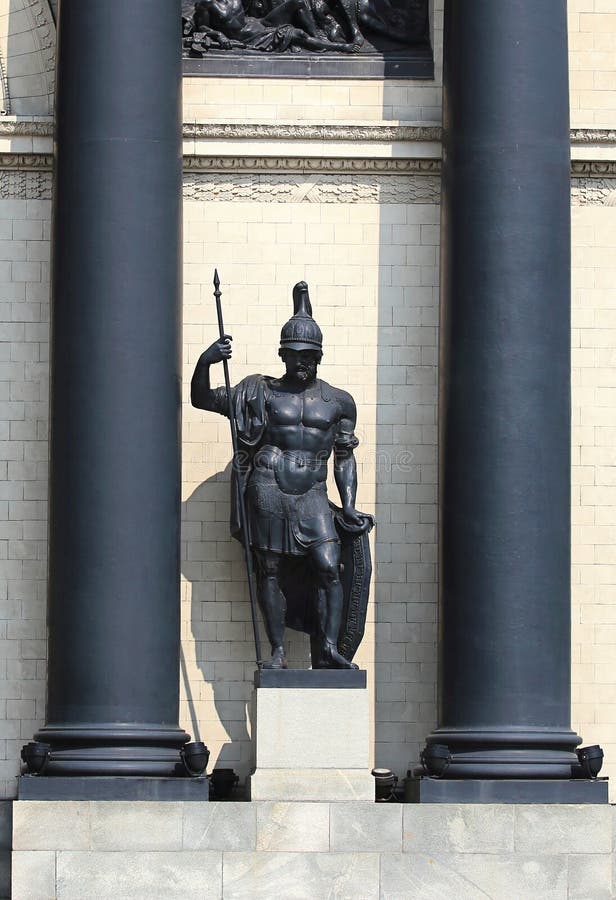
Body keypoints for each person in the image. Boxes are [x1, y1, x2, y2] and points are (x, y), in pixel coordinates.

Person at [191, 282, 372, 669]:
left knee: (328, 565)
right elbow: (202, 399)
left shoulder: (339, 402)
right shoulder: (261, 393)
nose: (300, 362)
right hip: (268, 489)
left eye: (307, 356)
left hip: (312, 496)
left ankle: (327, 648)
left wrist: (351, 505)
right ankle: (277, 651)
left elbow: (344, 456)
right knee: (270, 569)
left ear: (320, 356)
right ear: (282, 354)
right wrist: (205, 361)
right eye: (292, 355)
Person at [190, 0, 356, 53]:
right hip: (251, 37)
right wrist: (219, 35)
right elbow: (202, 27)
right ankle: (342, 47)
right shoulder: (206, 4)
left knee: (297, 2)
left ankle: (318, 40)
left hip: (260, 23)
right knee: (298, 35)